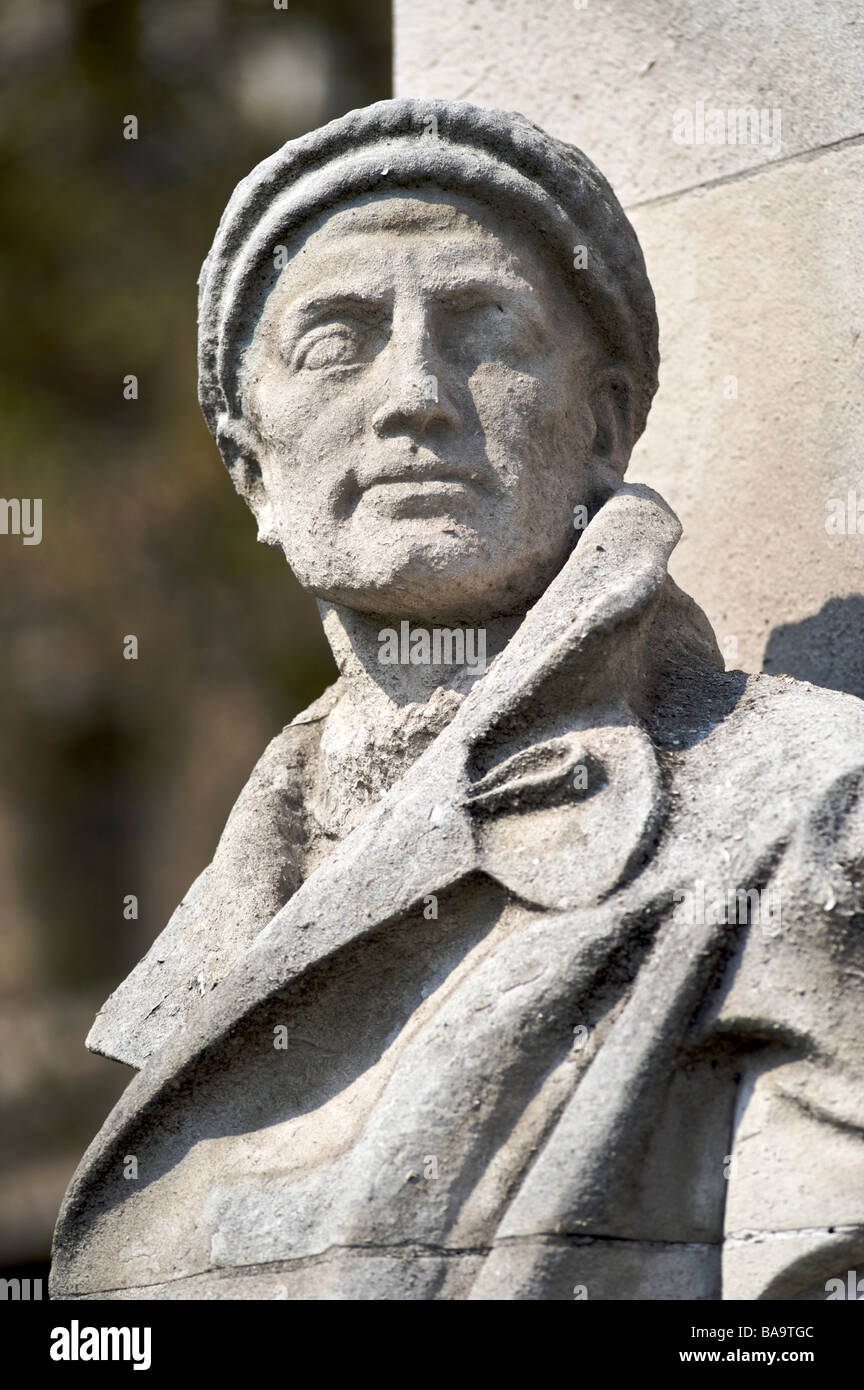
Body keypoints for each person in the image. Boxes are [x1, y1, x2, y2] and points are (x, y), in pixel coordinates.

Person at [52, 99, 864, 1301]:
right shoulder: (214, 945)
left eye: (483, 329)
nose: (414, 399)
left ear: (602, 427)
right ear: (252, 470)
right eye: (337, 340)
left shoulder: (804, 810)